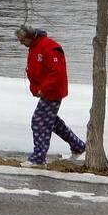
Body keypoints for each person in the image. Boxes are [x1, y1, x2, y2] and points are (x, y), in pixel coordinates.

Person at [16, 25, 86, 165]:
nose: (21, 43)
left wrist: (43, 89)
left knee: (39, 121)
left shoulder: (50, 47)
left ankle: (38, 158)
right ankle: (78, 146)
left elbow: (57, 73)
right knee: (52, 121)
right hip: (45, 91)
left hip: (53, 92)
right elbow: (34, 70)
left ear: (30, 37)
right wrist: (35, 89)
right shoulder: (34, 47)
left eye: (22, 40)